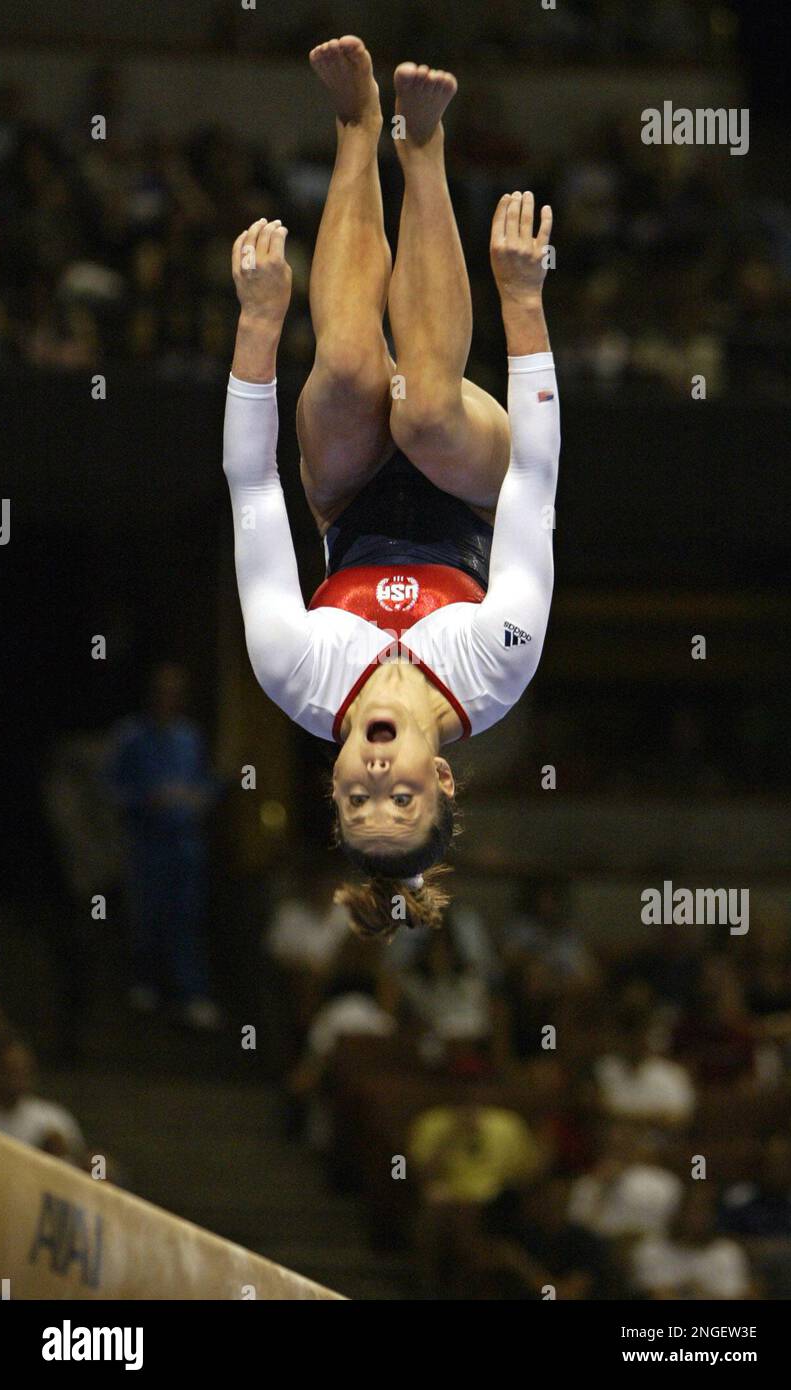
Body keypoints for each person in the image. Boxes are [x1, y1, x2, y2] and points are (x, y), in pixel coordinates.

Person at [223, 36, 560, 940]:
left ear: (331, 785)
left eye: (358, 801)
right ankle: (421, 147)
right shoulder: (498, 667)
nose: (376, 780)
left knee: (342, 371)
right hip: (469, 479)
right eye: (400, 796)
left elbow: (254, 492)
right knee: (423, 412)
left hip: (351, 493)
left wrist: (260, 323)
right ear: (440, 778)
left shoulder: (296, 674)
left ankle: (354, 123)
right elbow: (533, 480)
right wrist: (522, 304)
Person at [106, 662, 222, 1028]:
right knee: (146, 915)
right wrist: (146, 798)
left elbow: (205, 783)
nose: (168, 700)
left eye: (175, 693)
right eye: (162, 692)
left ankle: (192, 994)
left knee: (186, 917)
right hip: (146, 843)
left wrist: (201, 797)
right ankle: (145, 985)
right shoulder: (130, 736)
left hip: (185, 844)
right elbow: (111, 788)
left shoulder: (189, 737)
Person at [0, 1035, 85, 1162]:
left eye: (22, 1071)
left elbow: (82, 1166)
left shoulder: (53, 1118)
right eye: (8, 1071)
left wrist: (59, 1154)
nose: (15, 1080)